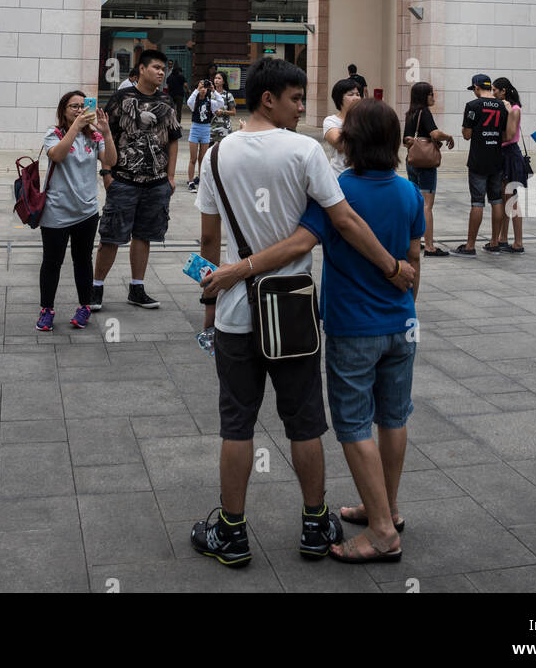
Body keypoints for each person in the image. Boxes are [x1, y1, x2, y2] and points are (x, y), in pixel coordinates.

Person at [191, 56, 412, 570]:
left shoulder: (216, 155)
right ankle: (315, 525)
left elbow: (208, 240)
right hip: (290, 309)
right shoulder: (305, 152)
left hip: (234, 313)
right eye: (295, 99)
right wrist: (392, 267)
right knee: (305, 423)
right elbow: (344, 221)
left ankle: (231, 532)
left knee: (236, 426)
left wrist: (211, 300)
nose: (301, 109)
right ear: (268, 98)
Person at [92, 48, 180, 312]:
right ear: (141, 69)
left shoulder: (167, 102)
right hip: (124, 180)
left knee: (144, 236)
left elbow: (174, 139)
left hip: (156, 183)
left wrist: (171, 177)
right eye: (156, 68)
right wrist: (107, 173)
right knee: (111, 236)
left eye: (163, 69)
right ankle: (95, 288)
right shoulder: (121, 99)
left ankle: (137, 288)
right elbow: (107, 136)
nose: (161, 73)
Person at [36, 92, 116, 332]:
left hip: (87, 212)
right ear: (63, 110)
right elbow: (57, 156)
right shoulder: (54, 133)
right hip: (56, 212)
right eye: (74, 106)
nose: (80, 110)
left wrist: (107, 132)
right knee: (52, 262)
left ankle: (84, 306)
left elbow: (110, 160)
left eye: (84, 106)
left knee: (82, 261)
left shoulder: (96, 136)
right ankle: (46, 310)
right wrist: (76, 128)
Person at [454, 73, 517, 256]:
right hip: (496, 158)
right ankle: (495, 242)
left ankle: (470, 245)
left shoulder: (473, 106)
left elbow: (466, 135)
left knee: (477, 202)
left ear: (476, 88)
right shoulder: (502, 106)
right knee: (496, 200)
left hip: (478, 159)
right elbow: (506, 135)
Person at [403, 81, 454, 256]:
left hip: (412, 162)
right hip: (426, 165)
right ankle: (430, 246)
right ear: (424, 96)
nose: (434, 97)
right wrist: (448, 136)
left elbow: (406, 140)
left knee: (417, 203)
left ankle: (415, 241)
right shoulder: (424, 112)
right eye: (431, 94)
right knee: (427, 205)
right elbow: (434, 134)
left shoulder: (410, 113)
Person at [492, 77, 527, 253]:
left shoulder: (513, 110)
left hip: (510, 154)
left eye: (495, 90)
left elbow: (510, 134)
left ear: (503, 91)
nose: (493, 93)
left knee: (511, 200)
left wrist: (490, 137)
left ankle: (518, 242)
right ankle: (503, 238)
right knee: (505, 198)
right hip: (505, 154)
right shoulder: (507, 109)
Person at [186, 78, 223, 191]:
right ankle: (191, 182)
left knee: (202, 158)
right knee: (193, 158)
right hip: (195, 128)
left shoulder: (210, 102)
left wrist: (213, 90)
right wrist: (197, 89)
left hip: (206, 129)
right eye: (201, 87)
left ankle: (201, 180)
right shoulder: (195, 101)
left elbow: (221, 102)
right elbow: (189, 102)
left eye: (204, 88)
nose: (203, 90)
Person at [322, 77, 363, 174]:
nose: (356, 98)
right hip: (339, 176)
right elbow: (340, 144)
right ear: (340, 99)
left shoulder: (365, 119)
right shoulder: (331, 121)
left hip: (363, 176)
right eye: (351, 95)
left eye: (358, 94)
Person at [209, 72, 236, 145]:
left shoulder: (228, 95)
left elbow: (233, 112)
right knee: (208, 151)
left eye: (219, 78)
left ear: (223, 82)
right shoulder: (209, 94)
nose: (216, 80)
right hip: (211, 127)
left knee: (222, 151)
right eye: (215, 78)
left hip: (224, 128)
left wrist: (223, 112)